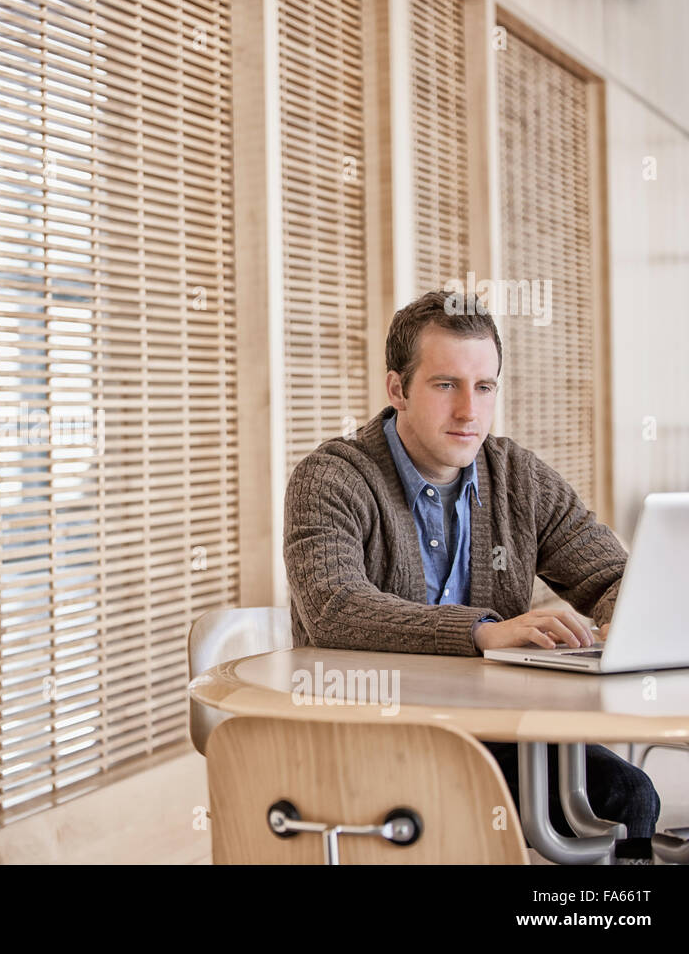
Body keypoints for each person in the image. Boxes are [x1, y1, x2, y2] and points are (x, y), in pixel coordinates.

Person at [283, 289, 660, 863]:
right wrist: (481, 631)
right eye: (445, 385)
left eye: (484, 387)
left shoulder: (519, 477)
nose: (469, 411)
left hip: (495, 735)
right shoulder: (331, 479)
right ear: (397, 389)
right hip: (363, 739)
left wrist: (627, 615)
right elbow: (335, 609)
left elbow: (612, 577)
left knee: (627, 798)